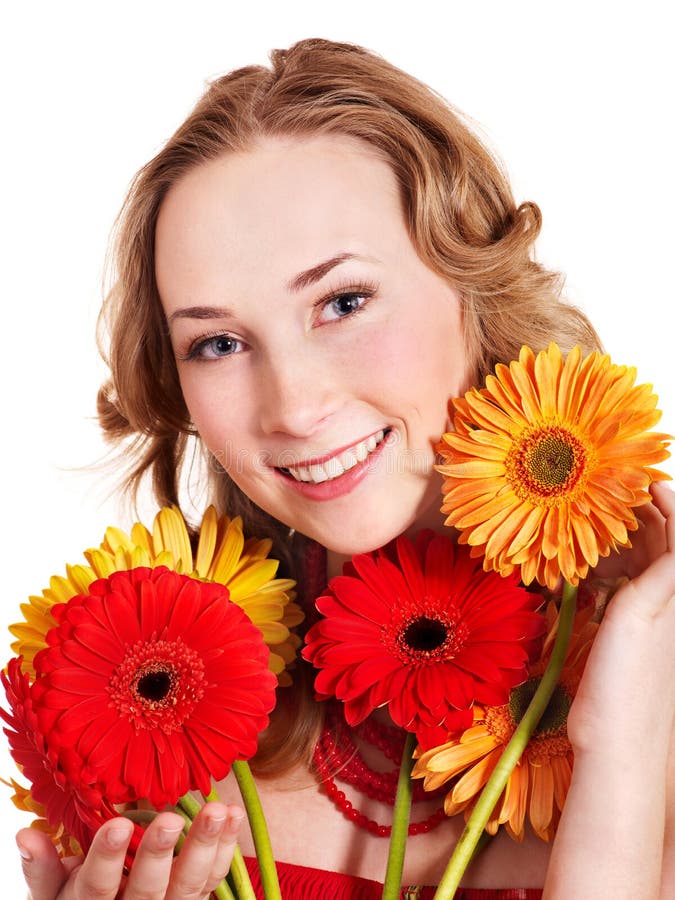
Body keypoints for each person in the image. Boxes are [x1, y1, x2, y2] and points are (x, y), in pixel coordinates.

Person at [15, 37, 674, 899]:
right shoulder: (139, 719)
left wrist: (614, 756)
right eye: (216, 343)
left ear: (476, 286)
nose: (291, 406)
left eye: (342, 302)